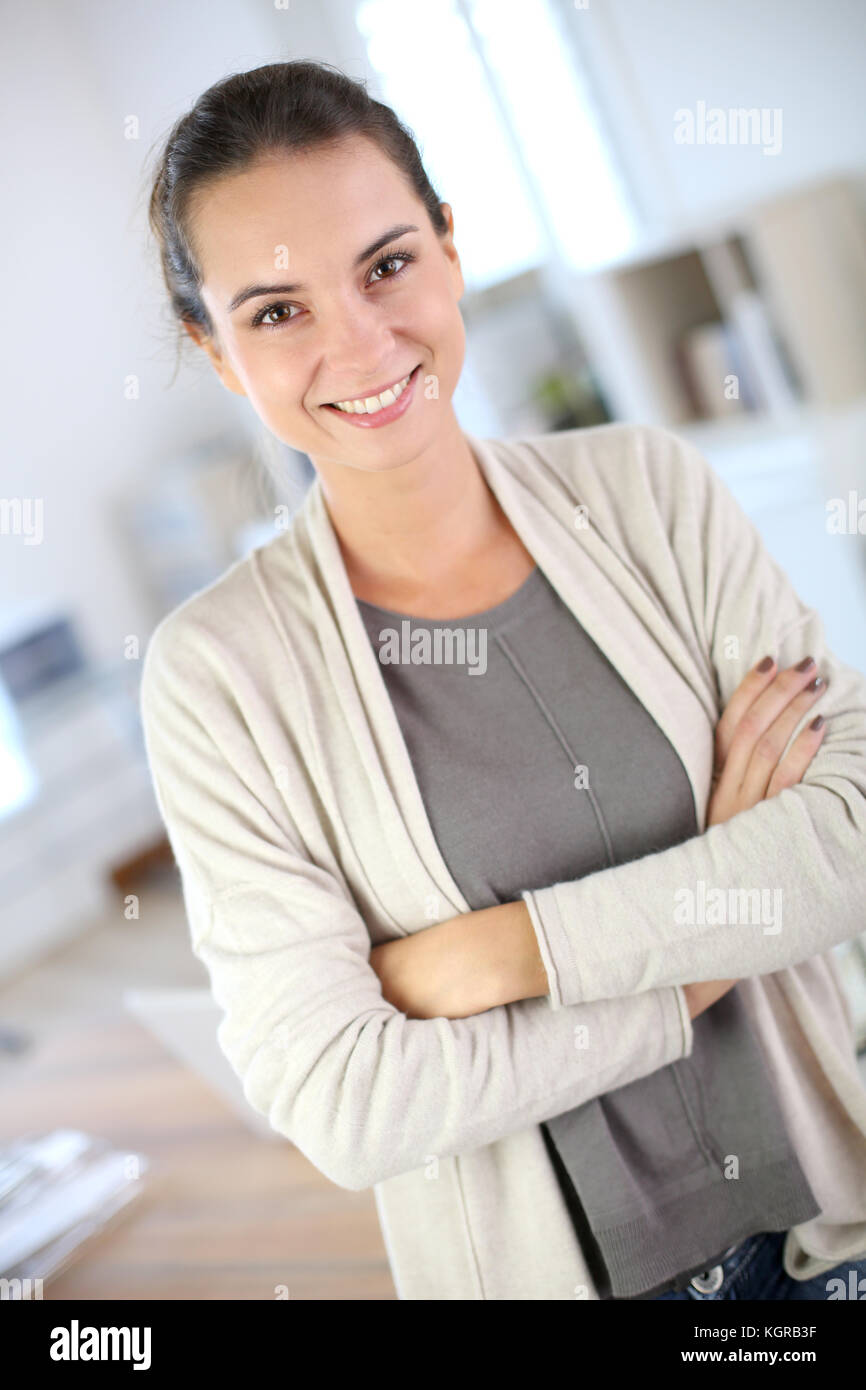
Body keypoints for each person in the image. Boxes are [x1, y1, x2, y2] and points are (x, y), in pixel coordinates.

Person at [140, 59, 866, 1300]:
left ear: (449, 248)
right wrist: (707, 940)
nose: (361, 342)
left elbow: (844, 837)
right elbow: (346, 1100)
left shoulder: (647, 488)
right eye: (274, 311)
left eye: (385, 265)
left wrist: (500, 955)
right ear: (214, 352)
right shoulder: (218, 680)